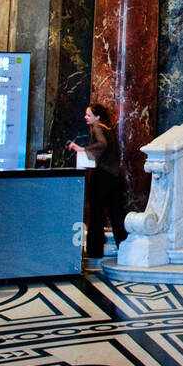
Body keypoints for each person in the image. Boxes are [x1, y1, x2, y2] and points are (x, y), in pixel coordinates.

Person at [69, 102, 128, 259]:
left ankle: (95, 250)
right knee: (116, 214)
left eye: (89, 115)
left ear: (97, 117)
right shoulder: (109, 130)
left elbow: (102, 144)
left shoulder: (97, 128)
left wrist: (82, 149)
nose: (85, 117)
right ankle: (124, 247)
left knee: (96, 213)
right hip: (114, 177)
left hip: (102, 177)